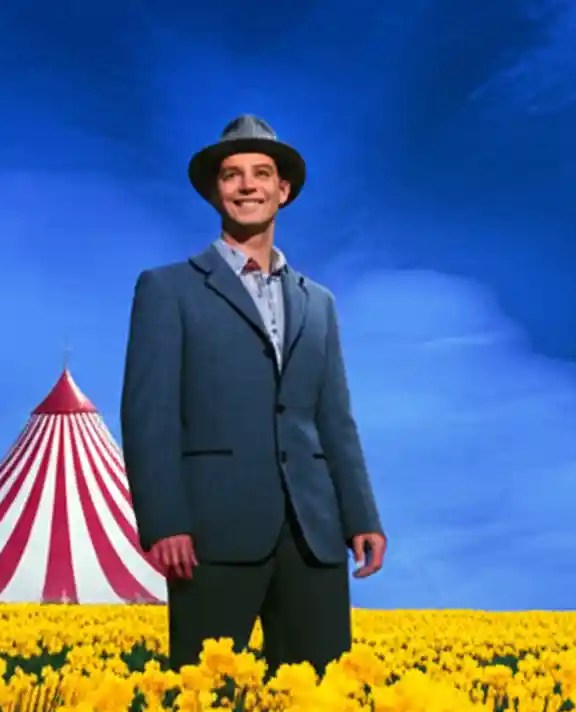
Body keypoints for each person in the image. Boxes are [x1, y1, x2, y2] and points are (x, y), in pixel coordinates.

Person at [119, 114, 387, 677]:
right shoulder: (167, 288)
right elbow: (150, 414)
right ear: (216, 191)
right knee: (203, 697)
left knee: (319, 700)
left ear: (283, 190)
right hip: (212, 533)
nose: (248, 185)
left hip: (313, 534)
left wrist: (362, 514)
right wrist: (165, 520)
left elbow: (335, 418)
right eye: (233, 175)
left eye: (262, 174)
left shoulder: (320, 302)